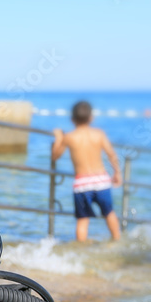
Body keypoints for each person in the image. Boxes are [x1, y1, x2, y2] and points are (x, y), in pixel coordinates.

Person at [52, 101, 122, 242]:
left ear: (72, 119)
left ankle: (81, 247)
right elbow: (112, 155)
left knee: (83, 220)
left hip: (82, 183)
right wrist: (117, 173)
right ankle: (117, 240)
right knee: (109, 213)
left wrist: (59, 138)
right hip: (101, 180)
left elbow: (55, 156)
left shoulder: (69, 137)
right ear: (91, 118)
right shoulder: (99, 134)